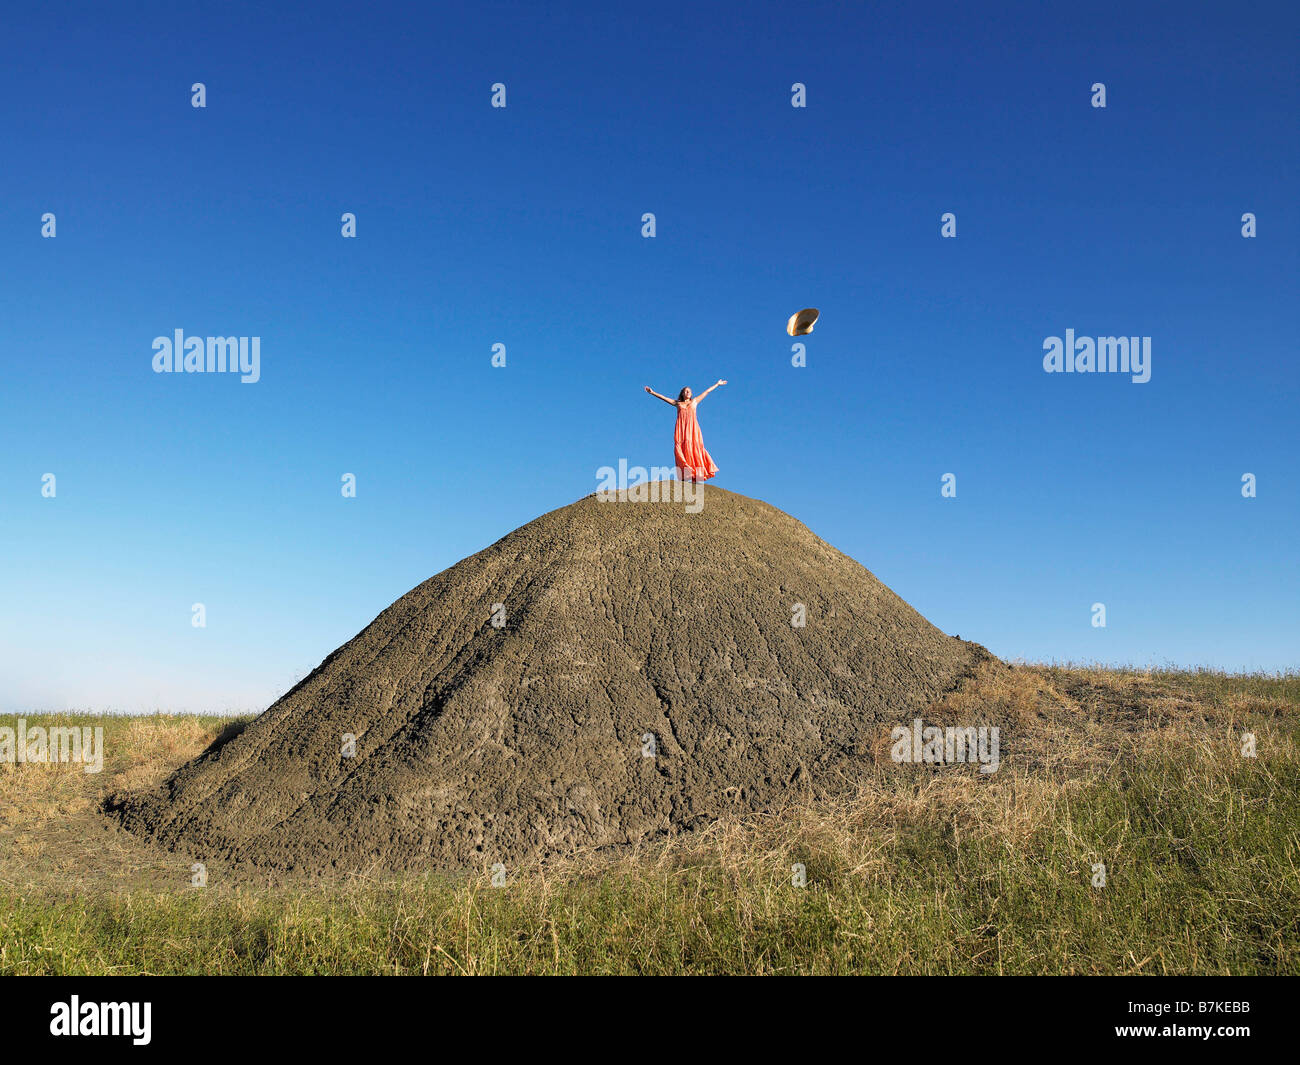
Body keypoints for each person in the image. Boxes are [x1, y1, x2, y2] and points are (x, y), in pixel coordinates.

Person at [643, 380, 726, 482]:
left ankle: (698, 476)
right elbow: (664, 398)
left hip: (693, 429)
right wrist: (652, 392)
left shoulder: (694, 401)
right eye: (686, 391)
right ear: (682, 393)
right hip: (681, 429)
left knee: (695, 449)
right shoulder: (678, 403)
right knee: (682, 449)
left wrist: (717, 384)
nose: (688, 392)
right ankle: (685, 476)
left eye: (689, 391)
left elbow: (707, 392)